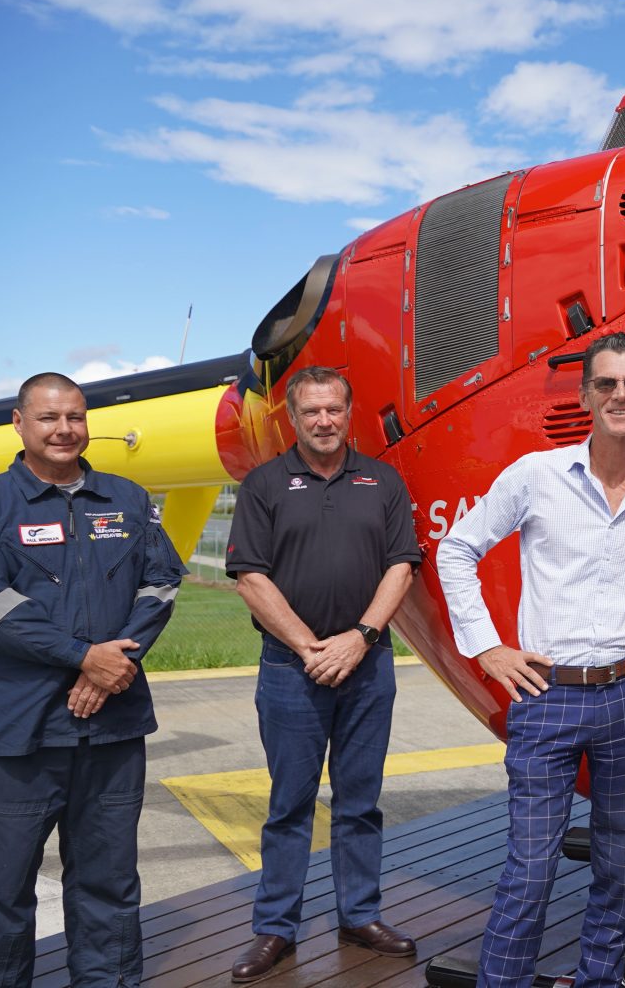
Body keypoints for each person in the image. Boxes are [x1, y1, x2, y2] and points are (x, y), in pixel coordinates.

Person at [436, 332, 625, 988]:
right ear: (585, 396)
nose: (619, 395)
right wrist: (487, 646)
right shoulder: (535, 476)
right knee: (530, 871)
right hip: (547, 696)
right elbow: (457, 549)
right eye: (606, 384)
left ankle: (600, 979)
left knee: (619, 865)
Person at [0, 372, 183, 986]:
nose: (64, 429)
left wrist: (107, 672)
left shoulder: (127, 500)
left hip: (111, 730)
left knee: (108, 885)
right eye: (48, 418)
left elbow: (160, 583)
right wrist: (84, 657)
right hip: (17, 736)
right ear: (19, 424)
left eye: (75, 417)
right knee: (3, 894)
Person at [224, 366, 421, 982]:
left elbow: (401, 567)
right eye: (311, 412)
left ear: (349, 410)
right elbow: (251, 577)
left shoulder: (381, 481)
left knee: (360, 802)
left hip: (367, 667)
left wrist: (358, 640)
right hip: (291, 670)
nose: (324, 421)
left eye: (334, 409)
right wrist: (312, 648)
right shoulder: (264, 484)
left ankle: (359, 914)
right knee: (289, 804)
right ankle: (275, 928)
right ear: (294, 417)